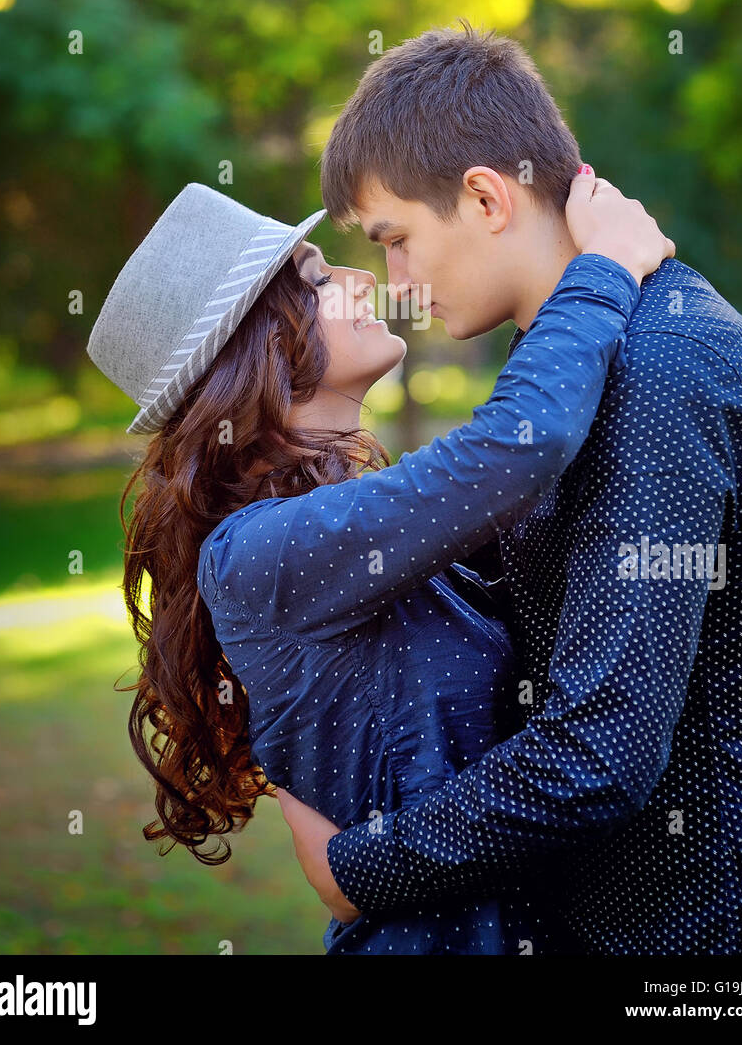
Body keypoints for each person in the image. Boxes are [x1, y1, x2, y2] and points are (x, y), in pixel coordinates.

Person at [276, 18, 742, 956]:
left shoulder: (658, 370)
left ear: (484, 198)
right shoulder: (584, 352)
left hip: (710, 932)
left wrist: (360, 869)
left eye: (396, 239)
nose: (395, 281)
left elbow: (600, 753)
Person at [85, 168, 672, 954]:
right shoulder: (255, 553)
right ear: (260, 342)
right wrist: (601, 268)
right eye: (319, 276)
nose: (362, 277)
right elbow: (517, 445)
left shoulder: (359, 526)